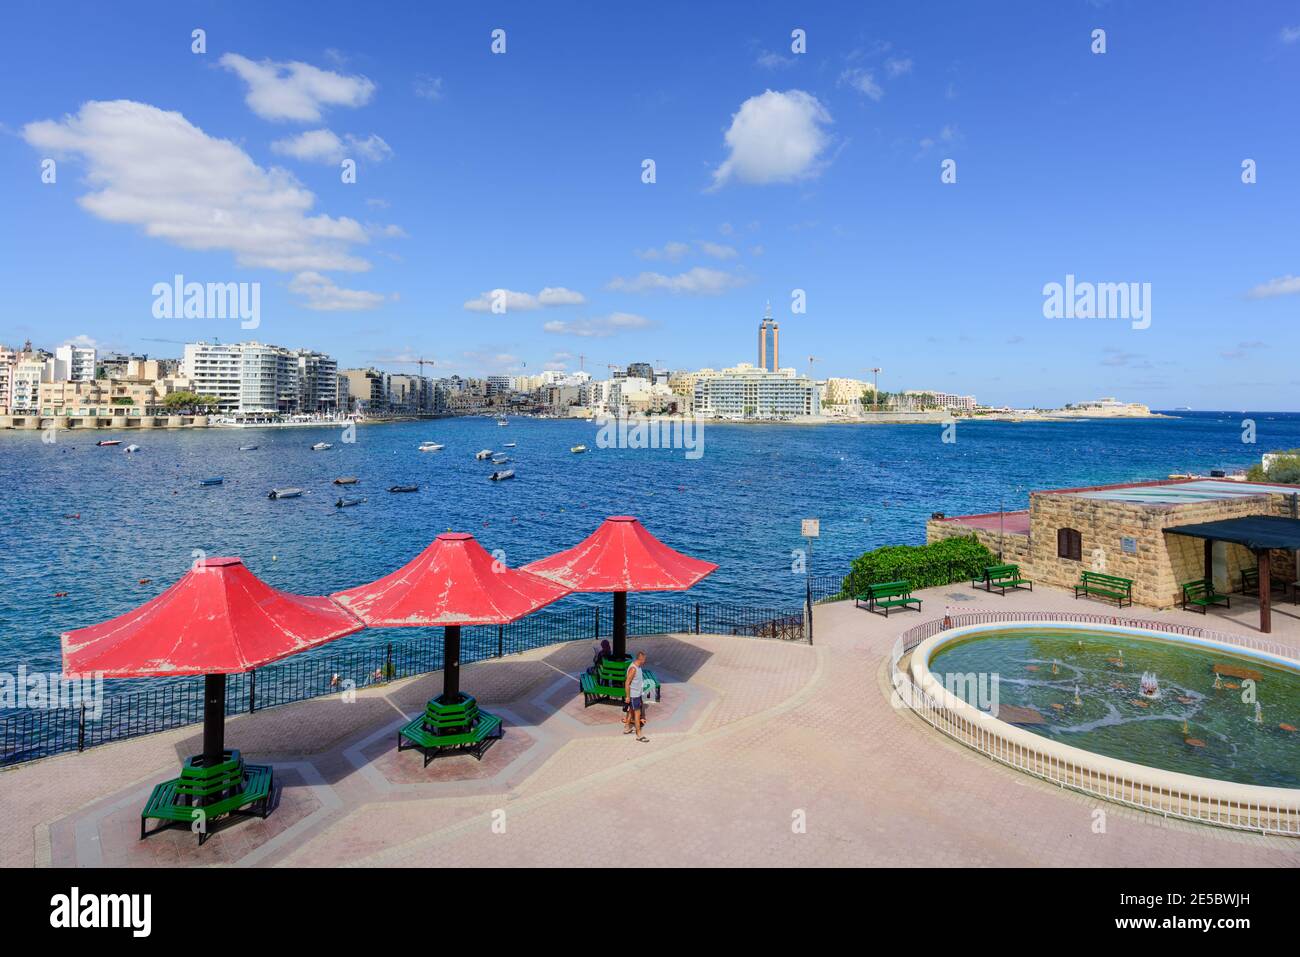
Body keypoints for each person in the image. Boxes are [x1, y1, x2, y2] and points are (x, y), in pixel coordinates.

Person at [623, 650, 648, 742]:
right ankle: (639, 734)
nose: (645, 661)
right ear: (640, 659)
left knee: (631, 711)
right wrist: (628, 697)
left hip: (637, 694)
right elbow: (627, 683)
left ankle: (627, 728)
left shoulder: (638, 667)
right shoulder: (633, 669)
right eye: (644, 659)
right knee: (637, 714)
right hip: (634, 695)